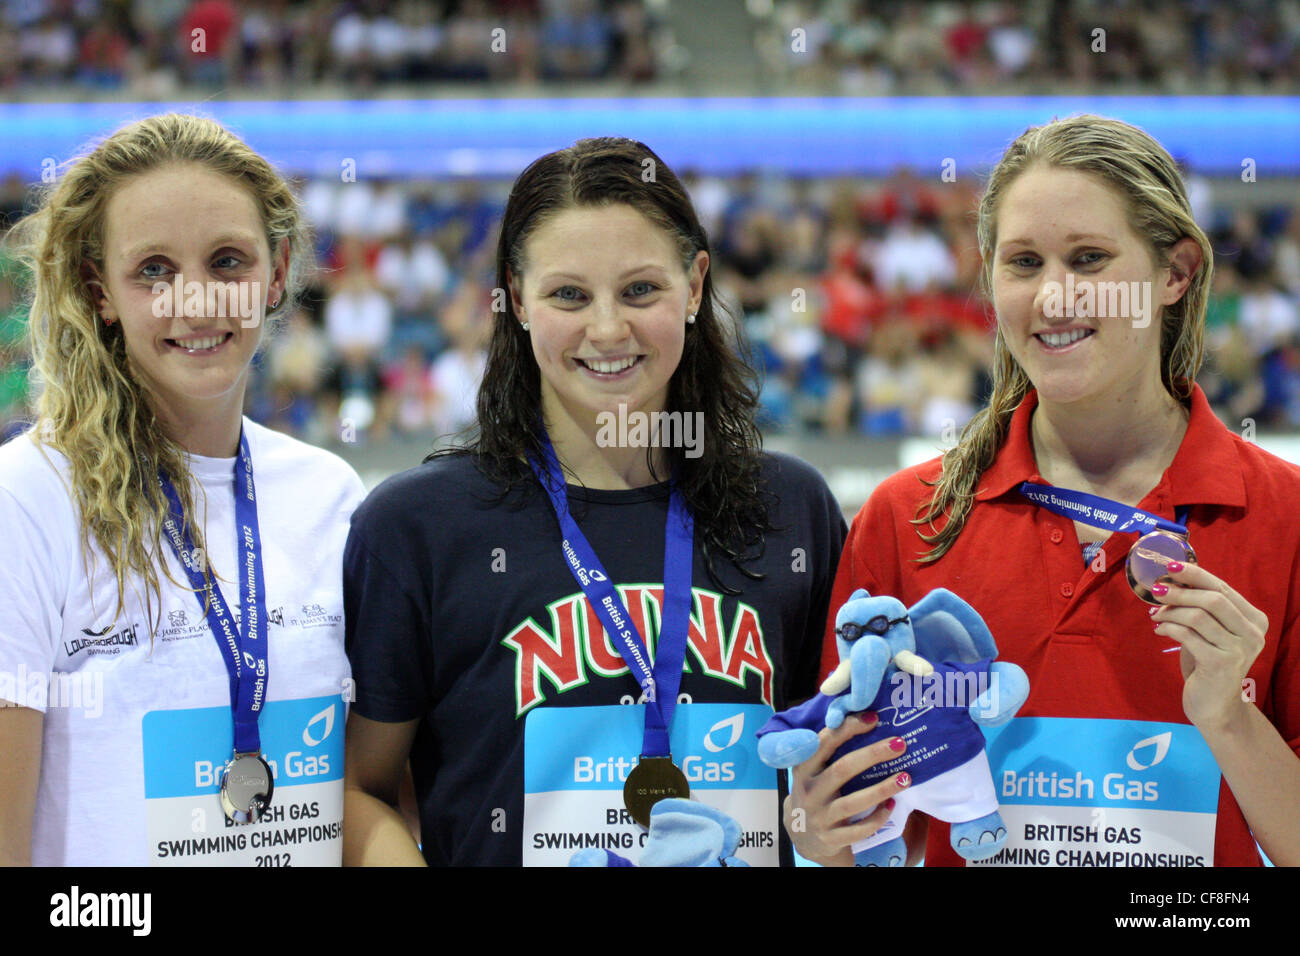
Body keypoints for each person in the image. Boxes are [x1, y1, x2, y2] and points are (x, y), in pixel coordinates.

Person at [790, 114, 1300, 868]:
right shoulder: (910, 519)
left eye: (1089, 259)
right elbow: (841, 839)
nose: (1054, 299)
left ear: (1176, 271)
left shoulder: (1284, 518)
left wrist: (1229, 718)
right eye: (1023, 263)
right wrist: (815, 827)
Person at [342, 137, 850, 866]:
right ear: (517, 299)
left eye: (641, 290)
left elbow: (823, 783)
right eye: (568, 295)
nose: (608, 330)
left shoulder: (792, 508)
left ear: (697, 285)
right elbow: (361, 789)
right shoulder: (415, 527)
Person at [0, 114, 366, 866]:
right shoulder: (26, 502)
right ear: (100, 291)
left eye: (227, 261)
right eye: (155, 271)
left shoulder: (331, 496)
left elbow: (370, 788)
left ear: (275, 272)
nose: (195, 302)